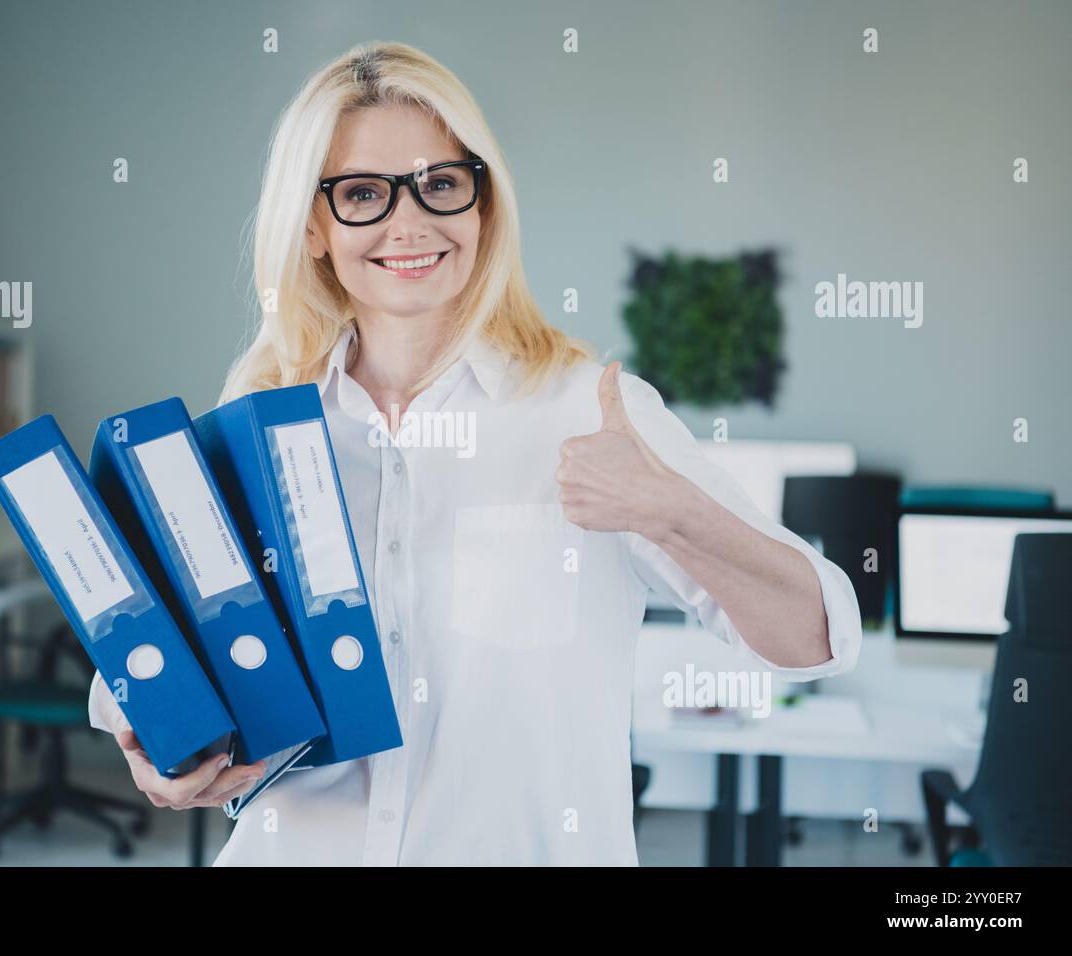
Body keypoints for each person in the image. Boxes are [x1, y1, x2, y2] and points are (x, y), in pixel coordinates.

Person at [88, 41, 862, 865]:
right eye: (361, 194)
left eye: (441, 185)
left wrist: (671, 511)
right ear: (312, 226)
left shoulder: (591, 412)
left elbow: (819, 638)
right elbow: (156, 660)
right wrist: (147, 743)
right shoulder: (254, 427)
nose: (409, 222)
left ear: (482, 205)